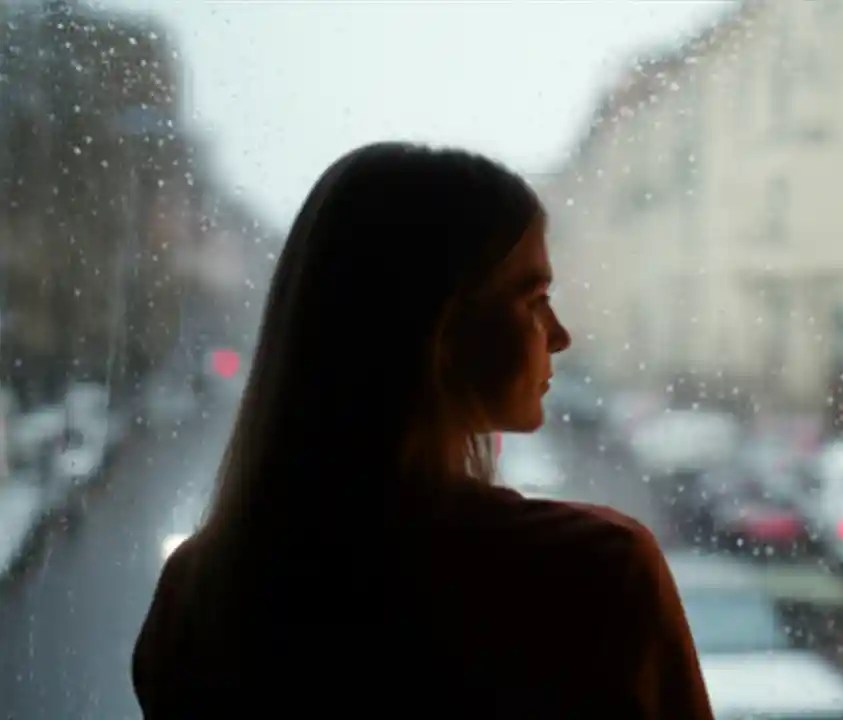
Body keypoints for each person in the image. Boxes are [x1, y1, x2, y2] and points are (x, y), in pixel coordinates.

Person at [132, 143, 714, 719]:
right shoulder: (596, 571)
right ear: (436, 326)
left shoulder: (200, 591)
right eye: (533, 297)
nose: (559, 334)